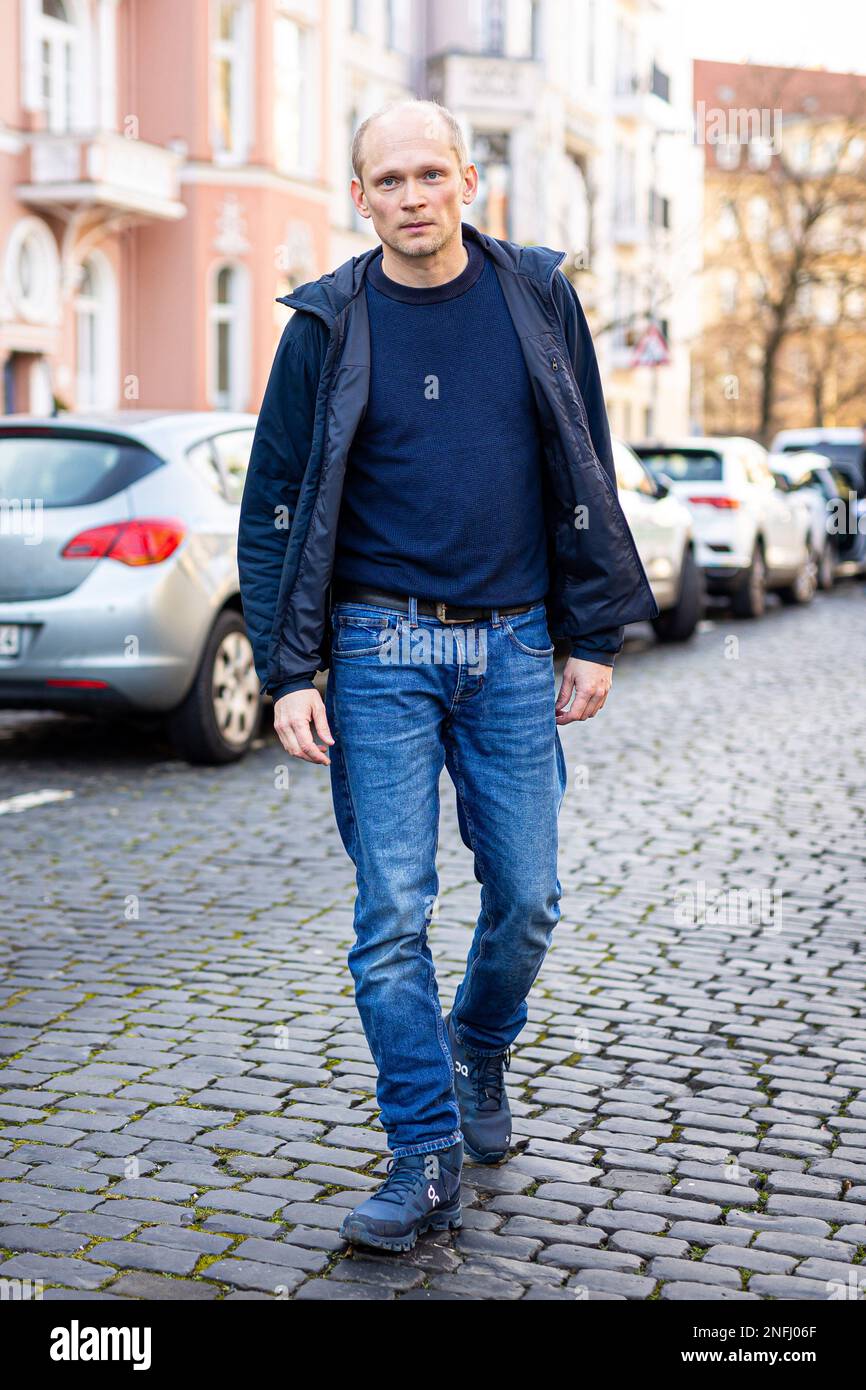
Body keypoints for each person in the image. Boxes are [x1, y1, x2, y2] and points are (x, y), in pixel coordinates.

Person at [237, 98, 658, 1253]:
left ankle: (479, 1042)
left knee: (527, 897)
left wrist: (590, 632)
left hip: (516, 642)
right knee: (389, 916)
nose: (412, 196)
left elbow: (583, 460)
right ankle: (422, 1152)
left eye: (431, 174)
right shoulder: (326, 322)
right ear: (358, 195)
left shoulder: (535, 295)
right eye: (389, 180)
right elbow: (273, 505)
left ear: (467, 180)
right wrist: (289, 671)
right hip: (377, 648)